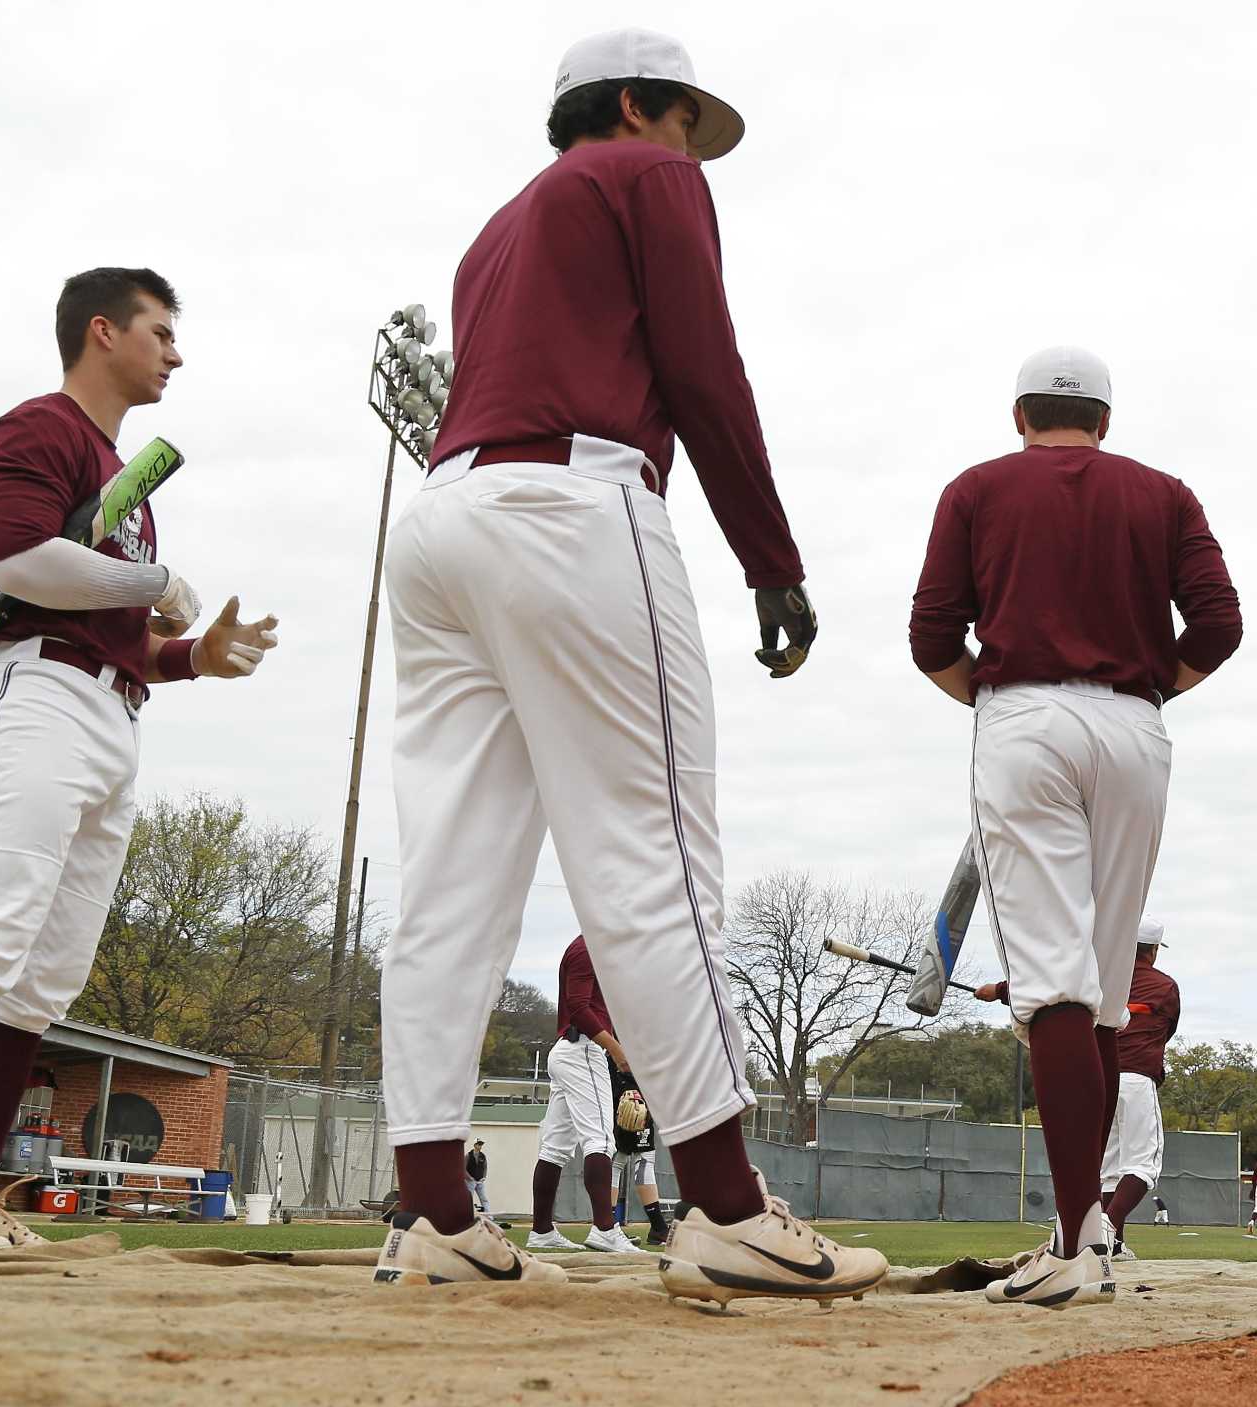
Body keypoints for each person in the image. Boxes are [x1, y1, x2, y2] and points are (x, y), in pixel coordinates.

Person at [371, 29, 884, 1305]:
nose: (693, 150)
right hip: (572, 503)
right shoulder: (644, 178)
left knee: (450, 874)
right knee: (653, 855)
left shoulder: (494, 228)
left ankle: (433, 1209)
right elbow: (703, 365)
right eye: (684, 122)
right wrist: (769, 552)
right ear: (635, 104)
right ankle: (723, 1204)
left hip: (439, 520)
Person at [0, 268, 277, 1250]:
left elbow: (125, 637)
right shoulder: (38, 428)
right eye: (160, 331)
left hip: (109, 712)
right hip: (28, 693)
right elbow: (18, 563)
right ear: (102, 330)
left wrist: (194, 656)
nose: (176, 351)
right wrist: (155, 578)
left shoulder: (127, 483)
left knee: (43, 977)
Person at [912, 346, 1242, 1307]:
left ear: (1019, 414)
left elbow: (932, 636)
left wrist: (995, 699)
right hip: (1136, 725)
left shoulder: (976, 487)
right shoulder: (1165, 492)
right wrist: (1150, 689)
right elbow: (1217, 623)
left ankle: (1073, 1246)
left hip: (1024, 716)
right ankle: (1084, 1235)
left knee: (1055, 985)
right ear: (1105, 418)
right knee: (1099, 994)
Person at [975, 915, 1180, 1262]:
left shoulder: (1100, 975)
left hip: (1100, 1079)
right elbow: (1168, 1029)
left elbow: (1053, 986)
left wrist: (997, 991)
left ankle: (1111, 1245)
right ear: (1154, 951)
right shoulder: (1165, 986)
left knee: (1109, 1167)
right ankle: (1108, 1228)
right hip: (1137, 1077)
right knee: (1144, 1164)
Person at [525, 936, 641, 1256]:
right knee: (601, 1141)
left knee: (555, 1147)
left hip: (570, 1052)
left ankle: (542, 1231)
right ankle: (605, 1229)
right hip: (582, 1052)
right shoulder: (588, 946)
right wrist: (617, 1052)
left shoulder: (597, 946)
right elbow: (579, 1008)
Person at [609, 1062, 671, 1247]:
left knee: (618, 1160)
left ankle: (609, 1227)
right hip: (629, 1087)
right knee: (633, 1160)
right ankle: (657, 1228)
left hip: (627, 1083)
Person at [465, 1141, 489, 1214]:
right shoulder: (468, 1155)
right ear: (475, 1145)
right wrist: (469, 1177)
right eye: (479, 1144)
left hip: (479, 1181)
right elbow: (463, 1168)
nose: (480, 1146)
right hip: (470, 1181)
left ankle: (488, 1215)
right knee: (469, 1199)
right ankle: (468, 1215)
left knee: (484, 1198)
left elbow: (485, 1167)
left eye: (481, 1145)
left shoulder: (483, 1156)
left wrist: (484, 1177)